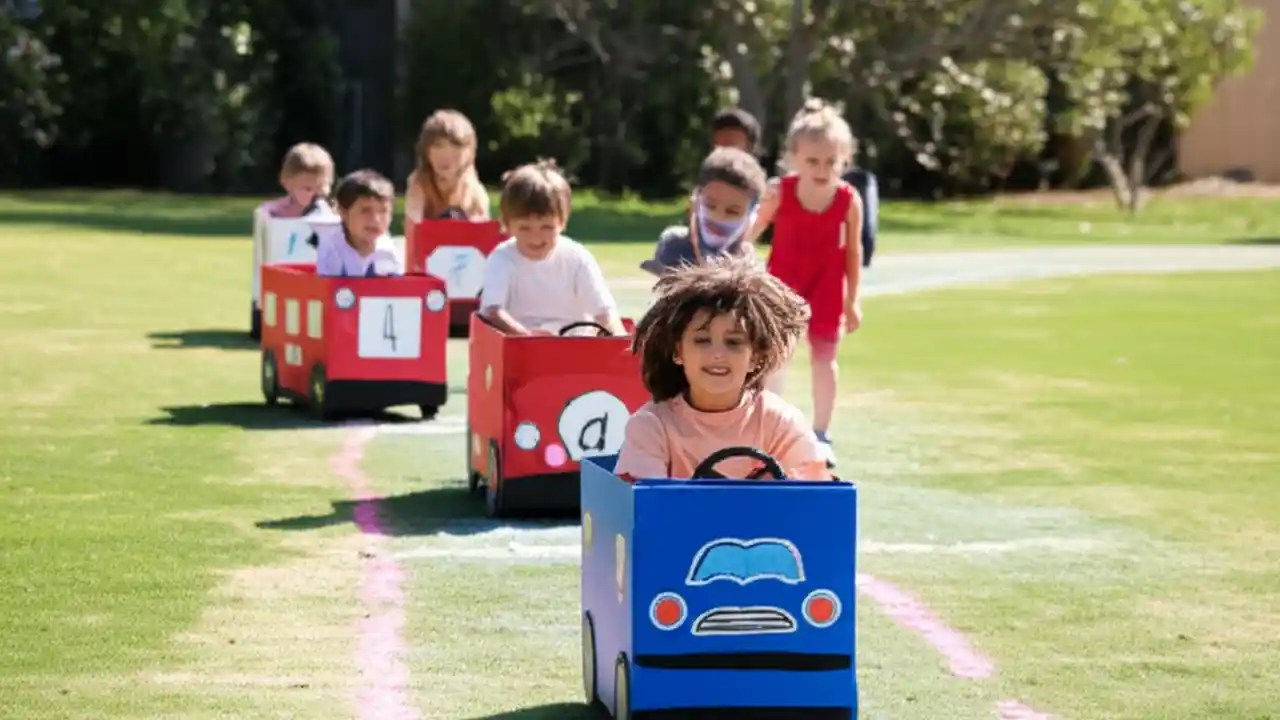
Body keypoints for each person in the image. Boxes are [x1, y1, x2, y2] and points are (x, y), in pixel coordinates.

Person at [614, 255, 830, 481]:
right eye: (702, 340)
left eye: (734, 342)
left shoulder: (781, 422)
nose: (717, 354)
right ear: (678, 352)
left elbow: (817, 497)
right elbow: (646, 506)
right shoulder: (651, 426)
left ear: (755, 357)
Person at [745, 98, 864, 468]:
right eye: (813, 160)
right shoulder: (780, 192)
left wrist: (852, 299)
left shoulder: (848, 199)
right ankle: (768, 428)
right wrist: (744, 265)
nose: (823, 169)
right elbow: (750, 234)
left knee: (825, 358)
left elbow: (854, 252)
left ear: (844, 160)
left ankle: (822, 434)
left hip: (828, 284)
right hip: (783, 283)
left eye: (832, 161)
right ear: (794, 156)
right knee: (775, 356)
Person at [478, 161, 624, 336]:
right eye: (525, 228)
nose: (536, 237)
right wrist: (530, 341)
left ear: (562, 222)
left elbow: (604, 313)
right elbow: (493, 312)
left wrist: (621, 347)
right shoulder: (502, 258)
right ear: (507, 224)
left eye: (546, 227)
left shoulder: (577, 258)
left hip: (574, 346)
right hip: (519, 345)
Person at [641, 147, 766, 277]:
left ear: (751, 215)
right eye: (710, 205)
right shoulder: (674, 245)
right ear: (696, 200)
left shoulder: (750, 267)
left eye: (732, 212)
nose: (718, 217)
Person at [403, 109, 490, 241]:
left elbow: (484, 239)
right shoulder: (420, 182)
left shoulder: (473, 189)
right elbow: (413, 232)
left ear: (469, 152)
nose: (445, 155)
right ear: (426, 151)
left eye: (455, 146)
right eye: (437, 146)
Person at [315, 170, 402, 278]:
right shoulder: (330, 250)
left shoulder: (391, 253)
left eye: (384, 211)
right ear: (343, 213)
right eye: (365, 210)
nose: (376, 220)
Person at [258, 142, 336, 218]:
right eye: (308, 189)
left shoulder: (333, 213)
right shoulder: (276, 212)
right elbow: (264, 213)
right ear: (287, 185)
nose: (316, 194)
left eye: (321, 187)